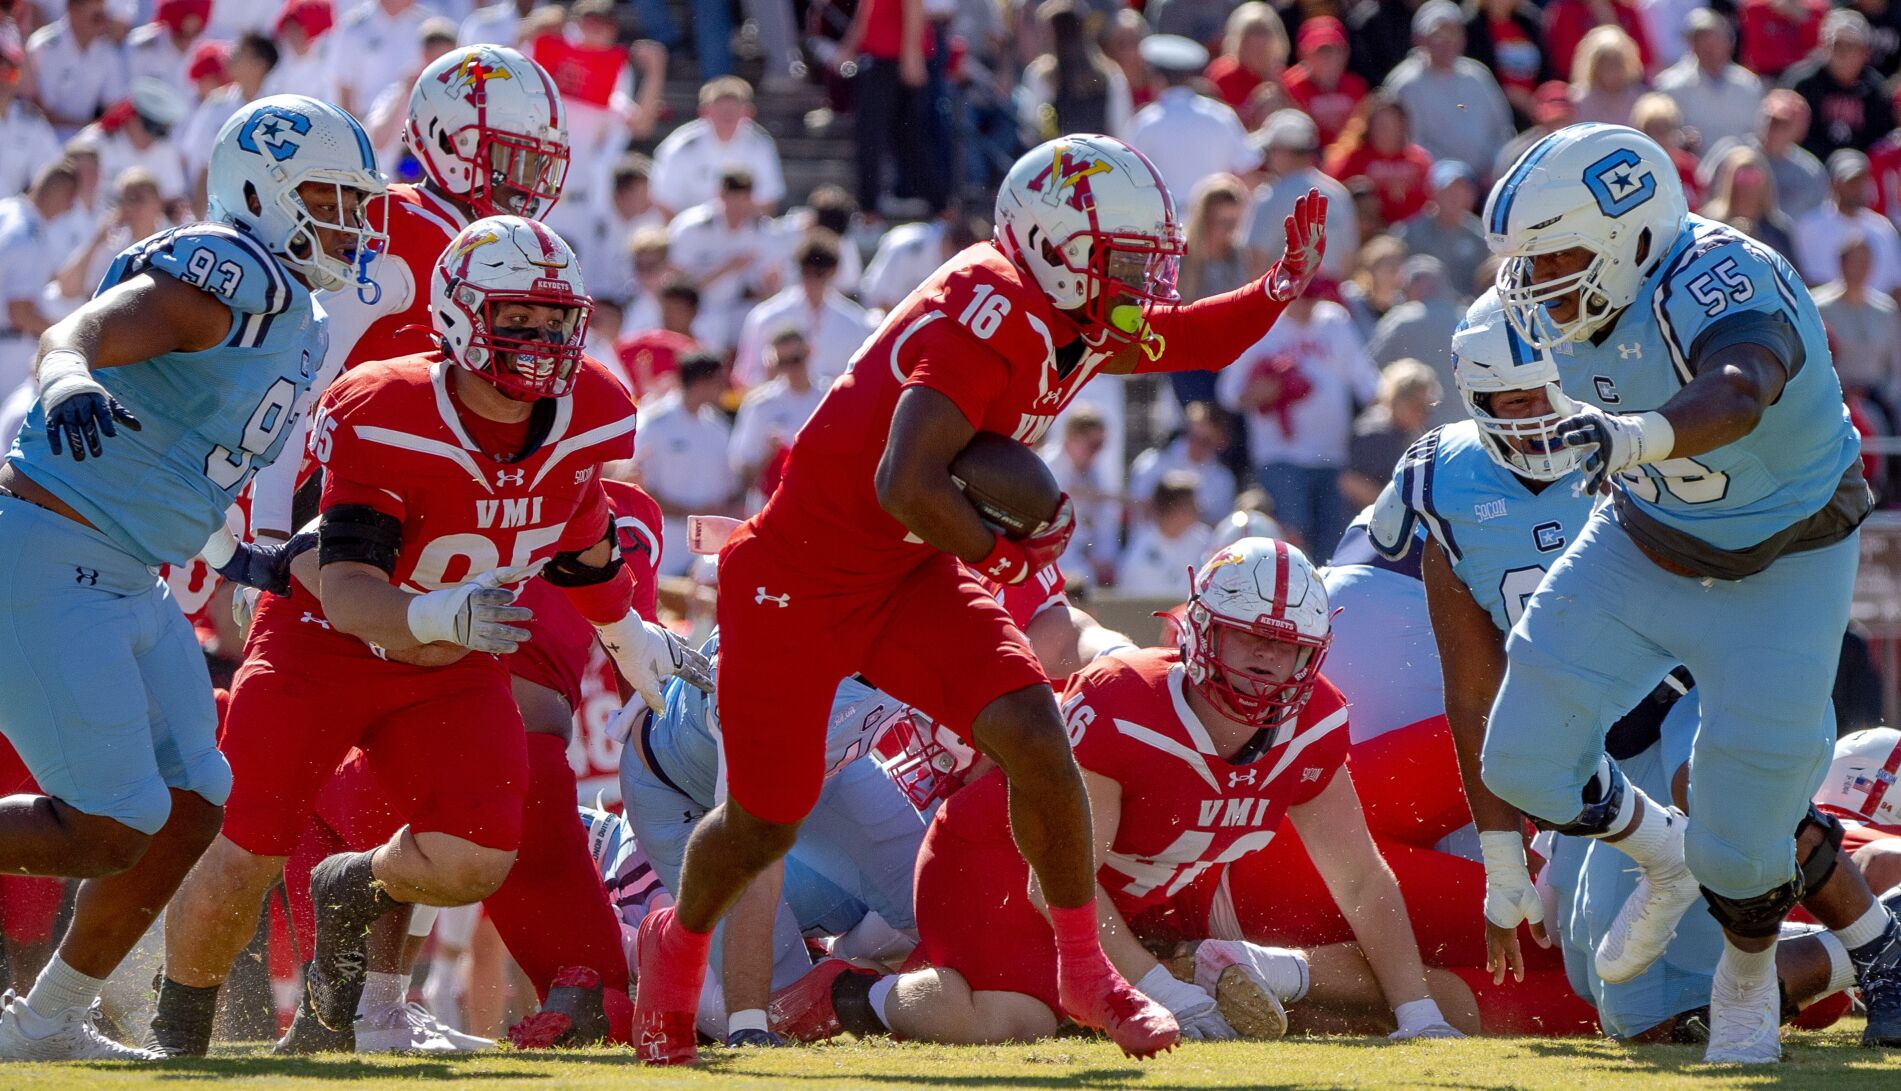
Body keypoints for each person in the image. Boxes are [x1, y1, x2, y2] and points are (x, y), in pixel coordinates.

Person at [629, 133, 1330, 1066]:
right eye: (1122, 255)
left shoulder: (1071, 308)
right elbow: (903, 479)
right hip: (800, 578)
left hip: (904, 573)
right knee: (767, 815)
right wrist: (1002, 551)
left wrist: (1277, 287)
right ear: (1053, 244)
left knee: (1039, 734)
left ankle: (1084, 967)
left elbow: (1186, 336)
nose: (1139, 276)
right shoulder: (990, 309)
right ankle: (674, 950)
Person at [155, 217, 708, 1057]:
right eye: (518, 319)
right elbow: (344, 587)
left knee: (480, 854)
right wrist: (436, 615)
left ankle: (355, 883)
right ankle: (179, 1029)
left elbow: (582, 538)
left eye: (556, 321)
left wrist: (631, 640)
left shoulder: (587, 408)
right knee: (247, 853)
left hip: (450, 657)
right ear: (457, 316)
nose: (542, 341)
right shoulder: (390, 408)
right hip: (327, 641)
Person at [1478, 123, 1900, 1061]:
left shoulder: (1718, 274)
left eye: (1557, 255)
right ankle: (1661, 855)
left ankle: (1746, 972)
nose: (1535, 281)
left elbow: (1741, 387)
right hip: (1641, 542)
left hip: (1783, 563)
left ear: (1631, 234)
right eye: (1526, 259)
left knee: (1743, 842)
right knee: (1518, 763)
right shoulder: (1555, 301)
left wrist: (1627, 441)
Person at [0, 94, 384, 1061]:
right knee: (110, 824)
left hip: (128, 566)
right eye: (330, 198)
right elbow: (72, 334)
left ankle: (47, 1021)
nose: (349, 221)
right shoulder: (230, 273)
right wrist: (67, 383)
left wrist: (235, 556)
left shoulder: (296, 315)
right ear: (261, 191)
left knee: (192, 802)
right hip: (47, 546)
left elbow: (182, 458)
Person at [1373, 292, 1866, 1041]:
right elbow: (1473, 690)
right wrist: (1503, 859)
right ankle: (1836, 950)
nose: (1536, 418)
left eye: (1545, 394)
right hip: (1605, 732)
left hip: (1705, 675)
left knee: (1725, 801)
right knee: (1615, 994)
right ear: (1472, 401)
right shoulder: (1446, 481)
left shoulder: (1647, 435)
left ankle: (1865, 951)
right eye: (1510, 401)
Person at [780, 540, 1468, 1046]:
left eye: (1286, 647)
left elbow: (1357, 876)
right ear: (1203, 631)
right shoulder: (1127, 704)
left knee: (1080, 1018)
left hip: (1106, 896)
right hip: (1000, 860)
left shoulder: (1313, 719)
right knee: (1014, 1020)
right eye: (1248, 638)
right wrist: (1157, 991)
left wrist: (1418, 1015)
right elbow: (1054, 879)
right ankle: (845, 990)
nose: (1267, 660)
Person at [620, 636, 930, 1045]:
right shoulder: (768, 661)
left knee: (937, 904)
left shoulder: (930, 610)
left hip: (821, 763)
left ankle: (836, 970)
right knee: (784, 1010)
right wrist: (749, 1024)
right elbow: (748, 849)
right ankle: (656, 952)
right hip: (676, 794)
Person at [1381, 1, 1513, 188]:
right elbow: (1410, 145)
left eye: (1453, 32)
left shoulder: (1477, 75)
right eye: (1438, 33)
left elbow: (1503, 129)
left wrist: (1495, 167)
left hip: (1489, 177)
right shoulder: (1405, 83)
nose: (1447, 40)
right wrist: (1456, 176)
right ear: (1420, 39)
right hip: (1438, 183)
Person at [1125, 34, 1260, 203]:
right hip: (1215, 223)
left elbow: (1128, 179)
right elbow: (1248, 174)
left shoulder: (1144, 122)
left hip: (1164, 223)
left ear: (1158, 79)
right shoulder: (1221, 115)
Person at [1653, 9, 1764, 156]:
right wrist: (1680, 138)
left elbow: (1759, 134)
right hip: (1689, 172)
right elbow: (1659, 134)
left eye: (1715, 39)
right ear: (1691, 44)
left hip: (1738, 172)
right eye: (1701, 39)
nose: (1709, 46)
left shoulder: (1748, 85)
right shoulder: (1669, 86)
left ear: (1729, 42)